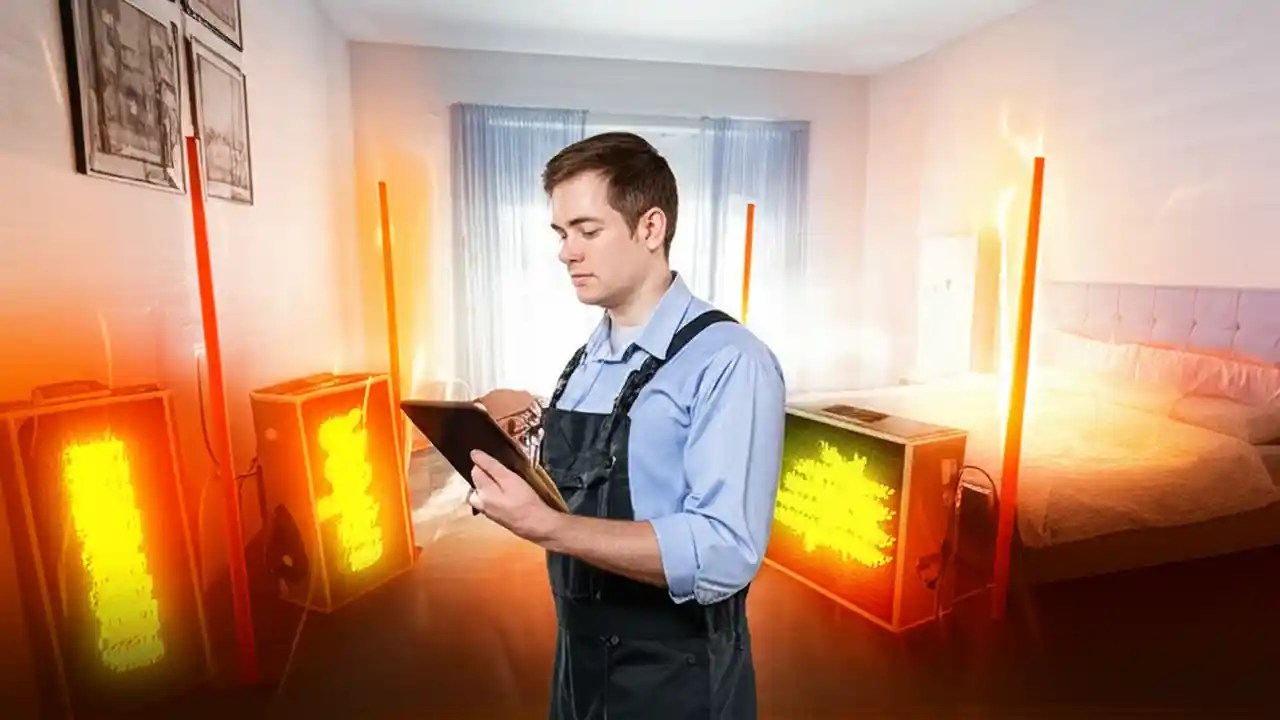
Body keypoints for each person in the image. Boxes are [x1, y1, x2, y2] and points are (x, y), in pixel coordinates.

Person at [467, 131, 786, 719]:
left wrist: (547, 527)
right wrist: (522, 441)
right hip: (580, 661)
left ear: (650, 228)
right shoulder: (590, 355)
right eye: (562, 234)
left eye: (588, 231)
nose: (567, 252)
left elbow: (723, 550)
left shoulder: (730, 361)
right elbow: (599, 475)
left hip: (676, 676)